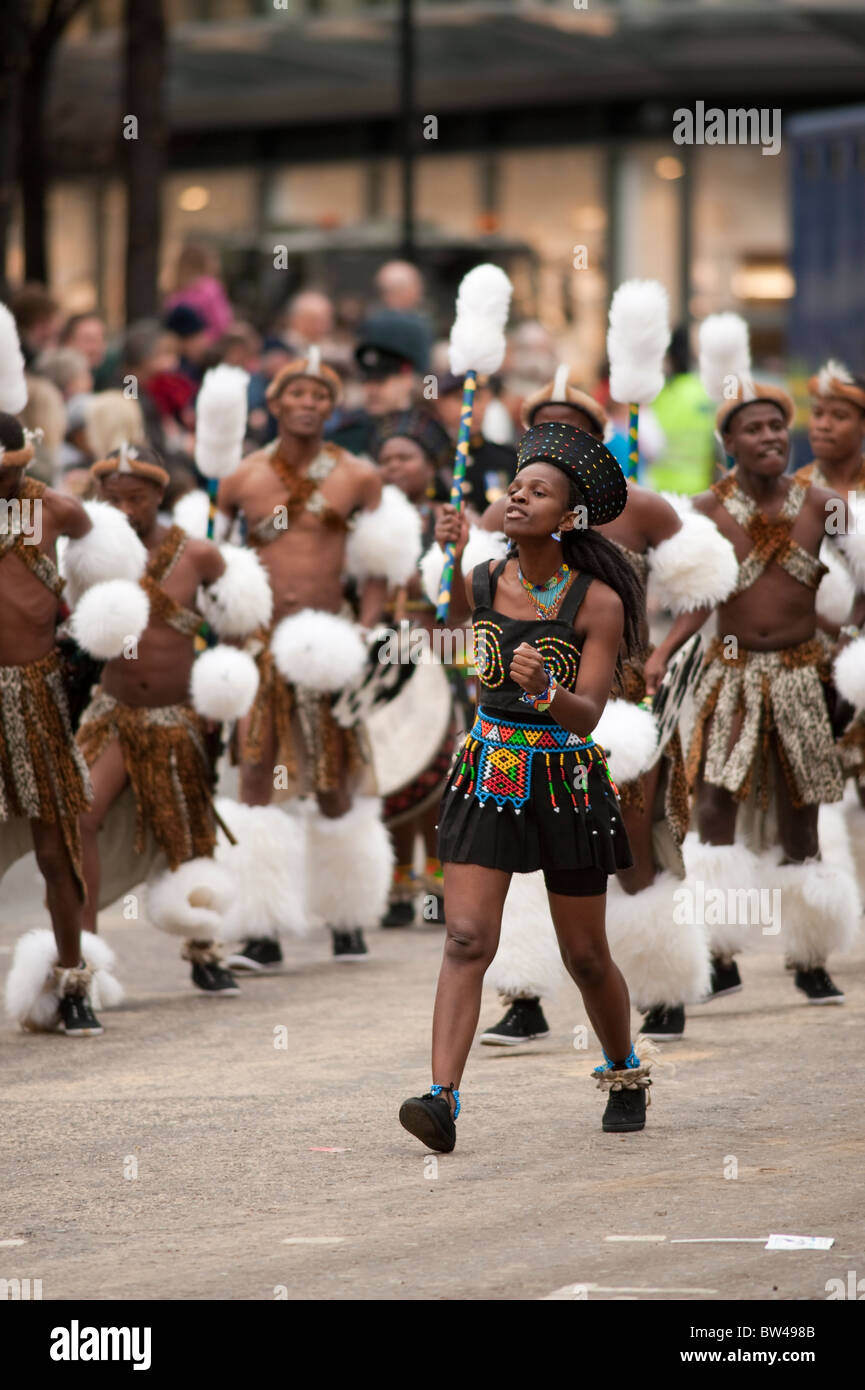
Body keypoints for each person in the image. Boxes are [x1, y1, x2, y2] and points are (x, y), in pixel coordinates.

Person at [439, 367, 735, 1046]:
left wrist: (659, 656)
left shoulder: (646, 508)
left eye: (569, 434)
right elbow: (464, 624)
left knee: (630, 854)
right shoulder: (498, 522)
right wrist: (450, 558)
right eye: (542, 433)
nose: (554, 444)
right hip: (506, 740)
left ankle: (661, 990)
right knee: (487, 897)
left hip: (612, 704)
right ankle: (520, 995)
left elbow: (707, 584)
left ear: (595, 450)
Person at [398, 421, 656, 1154]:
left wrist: (546, 689)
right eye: (514, 487)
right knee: (465, 937)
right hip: (487, 769)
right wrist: (447, 557)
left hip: (565, 777)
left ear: (566, 516)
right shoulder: (484, 579)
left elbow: (590, 715)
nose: (517, 498)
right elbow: (454, 638)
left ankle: (623, 1069)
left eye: (536, 491)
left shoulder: (596, 601)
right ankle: (441, 1097)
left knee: (584, 957)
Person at [653, 378, 864, 1006]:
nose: (771, 437)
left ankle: (809, 957)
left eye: (777, 426)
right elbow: (691, 597)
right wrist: (661, 654)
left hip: (804, 675)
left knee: (804, 816)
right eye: (754, 429)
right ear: (729, 444)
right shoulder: (704, 510)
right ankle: (718, 955)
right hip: (729, 676)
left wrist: (847, 627)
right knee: (715, 808)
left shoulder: (822, 503)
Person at [217, 350, 420, 968]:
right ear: (274, 405)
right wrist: (226, 644)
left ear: (332, 408)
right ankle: (260, 930)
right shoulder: (240, 479)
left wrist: (363, 629)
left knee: (333, 780)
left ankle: (348, 918)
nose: (308, 404)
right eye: (296, 395)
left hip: (328, 649)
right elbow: (219, 568)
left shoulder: (358, 476)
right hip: (260, 648)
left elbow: (382, 564)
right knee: (257, 776)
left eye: (320, 396)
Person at [76, 444, 270, 996]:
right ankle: (82, 955)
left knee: (188, 834)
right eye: (112, 498)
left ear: (159, 496)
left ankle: (205, 948)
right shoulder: (92, 551)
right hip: (112, 713)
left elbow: (240, 620)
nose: (125, 508)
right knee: (81, 815)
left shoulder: (199, 554)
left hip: (178, 716)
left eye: (136, 498)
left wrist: (222, 680)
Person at [1, 413, 142, 1036]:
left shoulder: (59, 511)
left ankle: (73, 978)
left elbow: (108, 578)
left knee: (57, 854)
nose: (7, 484)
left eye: (14, 470)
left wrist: (88, 638)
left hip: (37, 695)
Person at [371, 409, 462, 927]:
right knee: (390, 769)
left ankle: (437, 881)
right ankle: (395, 884)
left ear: (431, 464)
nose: (393, 468)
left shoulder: (451, 519)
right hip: (386, 665)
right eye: (384, 460)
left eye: (404, 457)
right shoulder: (367, 523)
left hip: (442, 657)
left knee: (440, 772)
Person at [325, 310, 429, 457]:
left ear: (407, 380)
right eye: (366, 381)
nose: (371, 390)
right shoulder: (347, 431)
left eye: (381, 381)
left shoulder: (426, 429)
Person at [434, 371, 517, 510]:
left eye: (477, 398)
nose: (469, 407)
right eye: (460, 398)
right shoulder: (430, 457)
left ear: (488, 402)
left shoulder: (508, 458)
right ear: (440, 403)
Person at [164, 242, 233, 342]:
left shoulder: (175, 291)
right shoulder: (210, 288)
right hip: (205, 346)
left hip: (181, 346)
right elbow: (222, 324)